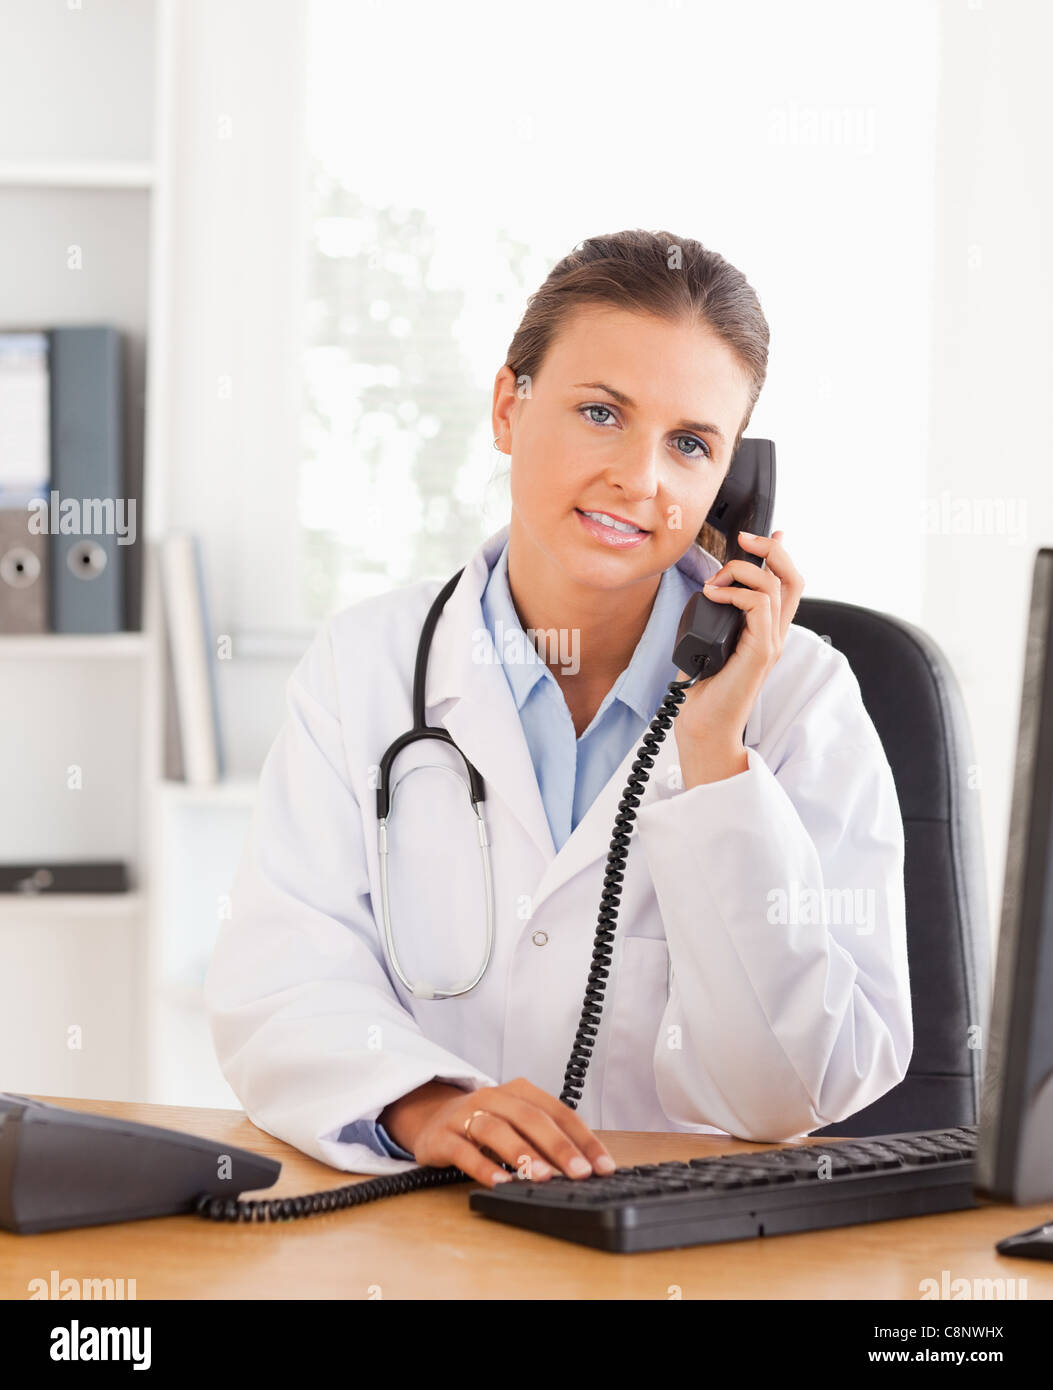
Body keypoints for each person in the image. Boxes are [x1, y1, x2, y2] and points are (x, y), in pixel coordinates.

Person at [204, 229, 912, 1191]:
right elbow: (278, 978)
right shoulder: (364, 664)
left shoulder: (800, 700)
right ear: (508, 406)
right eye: (599, 412)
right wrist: (426, 1106)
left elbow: (789, 1092)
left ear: (732, 482)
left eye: (691, 443)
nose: (642, 479)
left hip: (693, 1251)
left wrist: (713, 756)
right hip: (433, 1230)